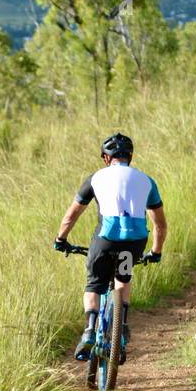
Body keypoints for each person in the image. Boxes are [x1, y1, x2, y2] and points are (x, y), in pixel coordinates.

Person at [53, 132, 167, 361]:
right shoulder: (147, 180)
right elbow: (160, 225)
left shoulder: (96, 178)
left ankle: (89, 331)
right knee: (123, 279)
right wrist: (155, 252)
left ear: (106, 158)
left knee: (94, 283)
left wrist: (61, 239)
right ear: (130, 157)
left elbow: (72, 215)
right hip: (135, 240)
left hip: (106, 239)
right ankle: (122, 328)